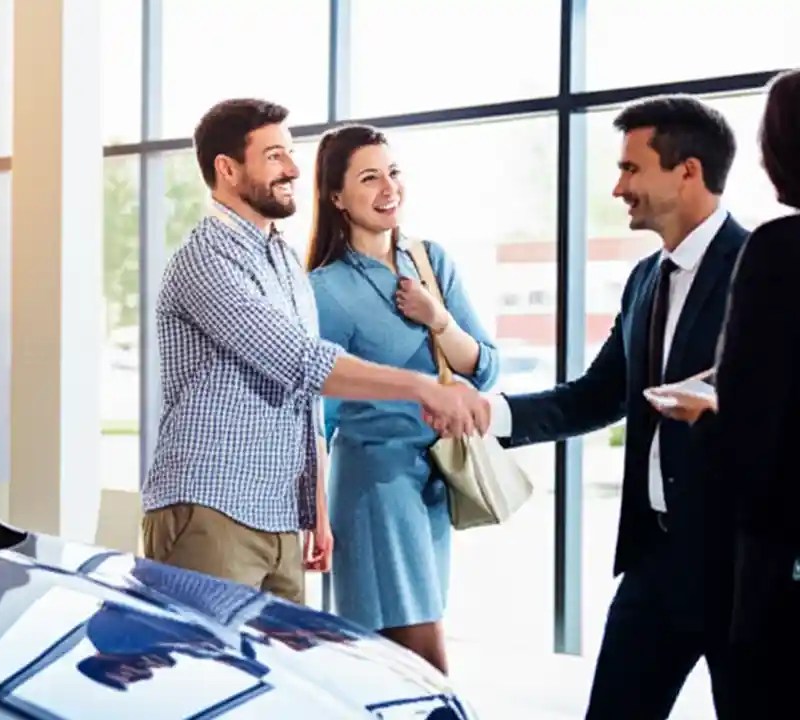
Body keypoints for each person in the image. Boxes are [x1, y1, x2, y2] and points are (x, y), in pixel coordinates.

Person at [141, 98, 489, 607]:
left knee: (278, 684)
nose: (293, 169)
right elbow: (298, 361)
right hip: (210, 511)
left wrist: (314, 509)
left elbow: (306, 404)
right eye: (275, 156)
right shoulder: (204, 260)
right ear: (227, 169)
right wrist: (422, 388)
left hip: (279, 519)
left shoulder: (280, 257)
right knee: (205, 681)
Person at [487, 95, 747, 717]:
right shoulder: (644, 280)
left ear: (687, 171)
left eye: (632, 169)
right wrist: (488, 415)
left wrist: (717, 403)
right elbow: (597, 395)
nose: (618, 186)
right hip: (655, 559)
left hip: (741, 569)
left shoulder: (761, 266)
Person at [304, 124, 499, 673]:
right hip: (374, 487)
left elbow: (483, 366)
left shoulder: (431, 262)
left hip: (435, 480)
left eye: (393, 172)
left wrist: (437, 318)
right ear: (336, 197)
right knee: (425, 657)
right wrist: (315, 514)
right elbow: (315, 418)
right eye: (369, 178)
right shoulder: (325, 290)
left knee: (394, 663)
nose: (388, 187)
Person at [653, 68, 800, 717]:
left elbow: (750, 443)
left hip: (773, 576)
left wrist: (703, 413)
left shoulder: (774, 251)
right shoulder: (645, 279)